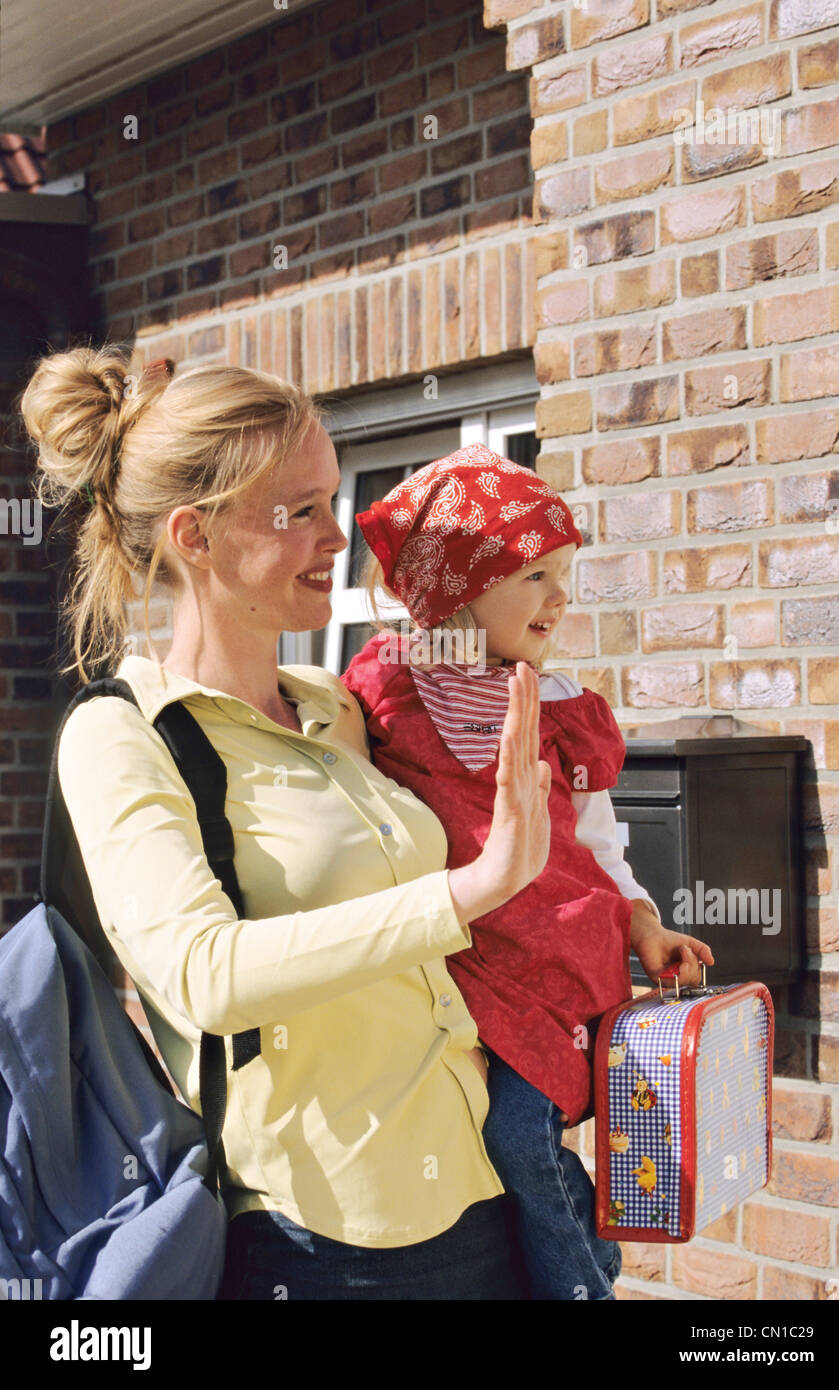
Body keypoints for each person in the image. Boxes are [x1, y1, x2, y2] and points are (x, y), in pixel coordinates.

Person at [18, 346, 555, 1300]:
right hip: (320, 1243)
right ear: (196, 535)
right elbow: (203, 976)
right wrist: (468, 891)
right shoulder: (124, 736)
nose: (336, 538)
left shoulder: (341, 704)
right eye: (299, 511)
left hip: (483, 1193)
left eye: (334, 501)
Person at [341, 442, 715, 1301]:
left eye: (565, 573)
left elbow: (603, 848)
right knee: (482, 1144)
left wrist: (645, 926)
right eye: (536, 575)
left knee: (522, 1136)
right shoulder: (382, 692)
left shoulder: (558, 705)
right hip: (460, 967)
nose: (562, 596)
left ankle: (586, 1287)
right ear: (456, 591)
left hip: (554, 969)